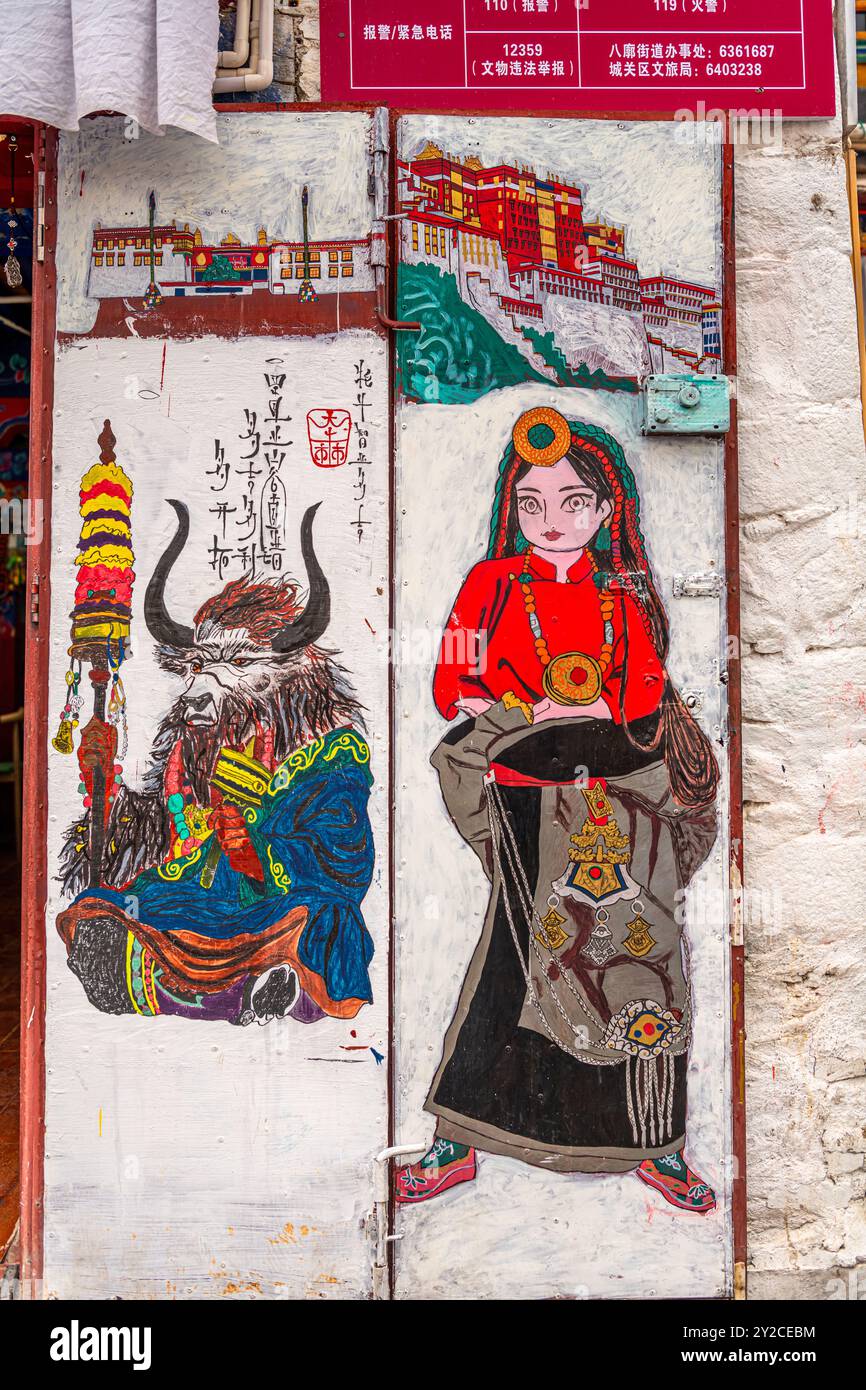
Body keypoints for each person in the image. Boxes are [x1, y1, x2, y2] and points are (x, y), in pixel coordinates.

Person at [396, 406, 720, 1213]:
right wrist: (520, 707)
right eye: (533, 503)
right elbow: (451, 688)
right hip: (523, 795)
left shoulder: (620, 594)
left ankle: (657, 1144)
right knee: (517, 956)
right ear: (514, 508)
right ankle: (456, 1143)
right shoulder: (492, 585)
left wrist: (599, 714)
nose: (552, 520)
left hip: (615, 801)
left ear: (606, 513)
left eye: (573, 502)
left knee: (643, 957)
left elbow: (643, 694)